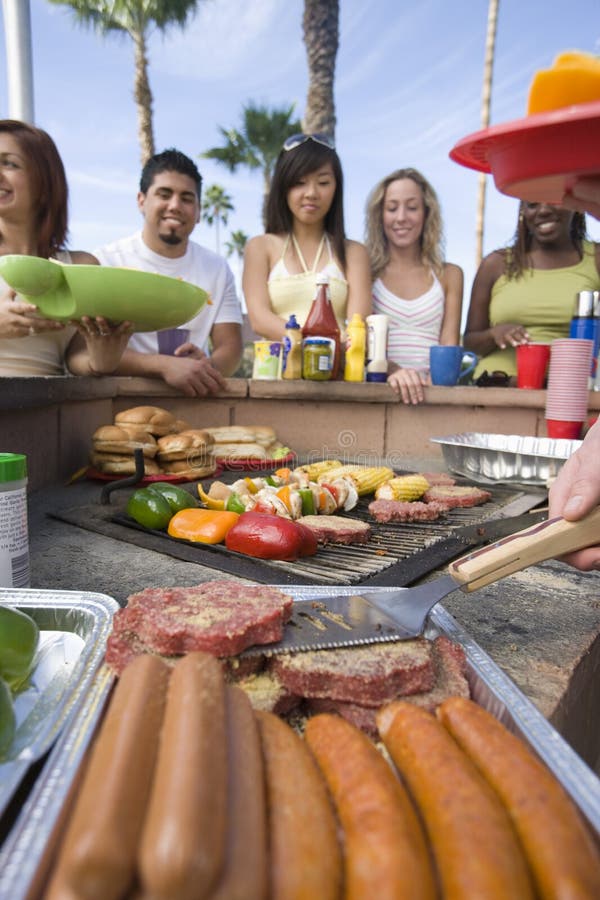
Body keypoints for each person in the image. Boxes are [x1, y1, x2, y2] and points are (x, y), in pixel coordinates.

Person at [95, 149, 243, 397]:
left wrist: (208, 366)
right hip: (119, 399)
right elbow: (89, 352)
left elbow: (231, 347)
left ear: (198, 211)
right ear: (141, 200)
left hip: (194, 399)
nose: (175, 206)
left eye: (186, 198)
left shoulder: (217, 268)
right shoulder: (106, 261)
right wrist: (164, 366)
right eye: (164, 194)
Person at [0, 119, 131, 377]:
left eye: (9, 163)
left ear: (45, 185)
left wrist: (101, 358)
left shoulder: (82, 267)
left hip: (49, 411)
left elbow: (77, 358)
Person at [242, 133, 371, 341]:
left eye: (323, 182)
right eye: (299, 182)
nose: (311, 193)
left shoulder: (354, 253)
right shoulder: (259, 247)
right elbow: (259, 319)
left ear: (336, 187)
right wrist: (317, 344)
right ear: (283, 187)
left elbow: (358, 327)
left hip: (337, 371)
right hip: (275, 370)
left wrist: (321, 351)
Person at [464, 201, 600, 381]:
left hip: (573, 388)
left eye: (553, 201)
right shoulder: (495, 264)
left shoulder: (595, 259)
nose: (543, 211)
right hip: (499, 384)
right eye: (533, 204)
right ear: (522, 212)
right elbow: (470, 343)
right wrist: (494, 334)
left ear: (575, 206)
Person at [365, 168, 464, 405]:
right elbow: (361, 342)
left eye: (412, 207)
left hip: (430, 396)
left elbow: (449, 344)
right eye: (391, 208)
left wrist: (433, 385)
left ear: (427, 213)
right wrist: (394, 371)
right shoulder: (366, 273)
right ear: (380, 216)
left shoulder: (450, 275)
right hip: (376, 391)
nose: (401, 217)